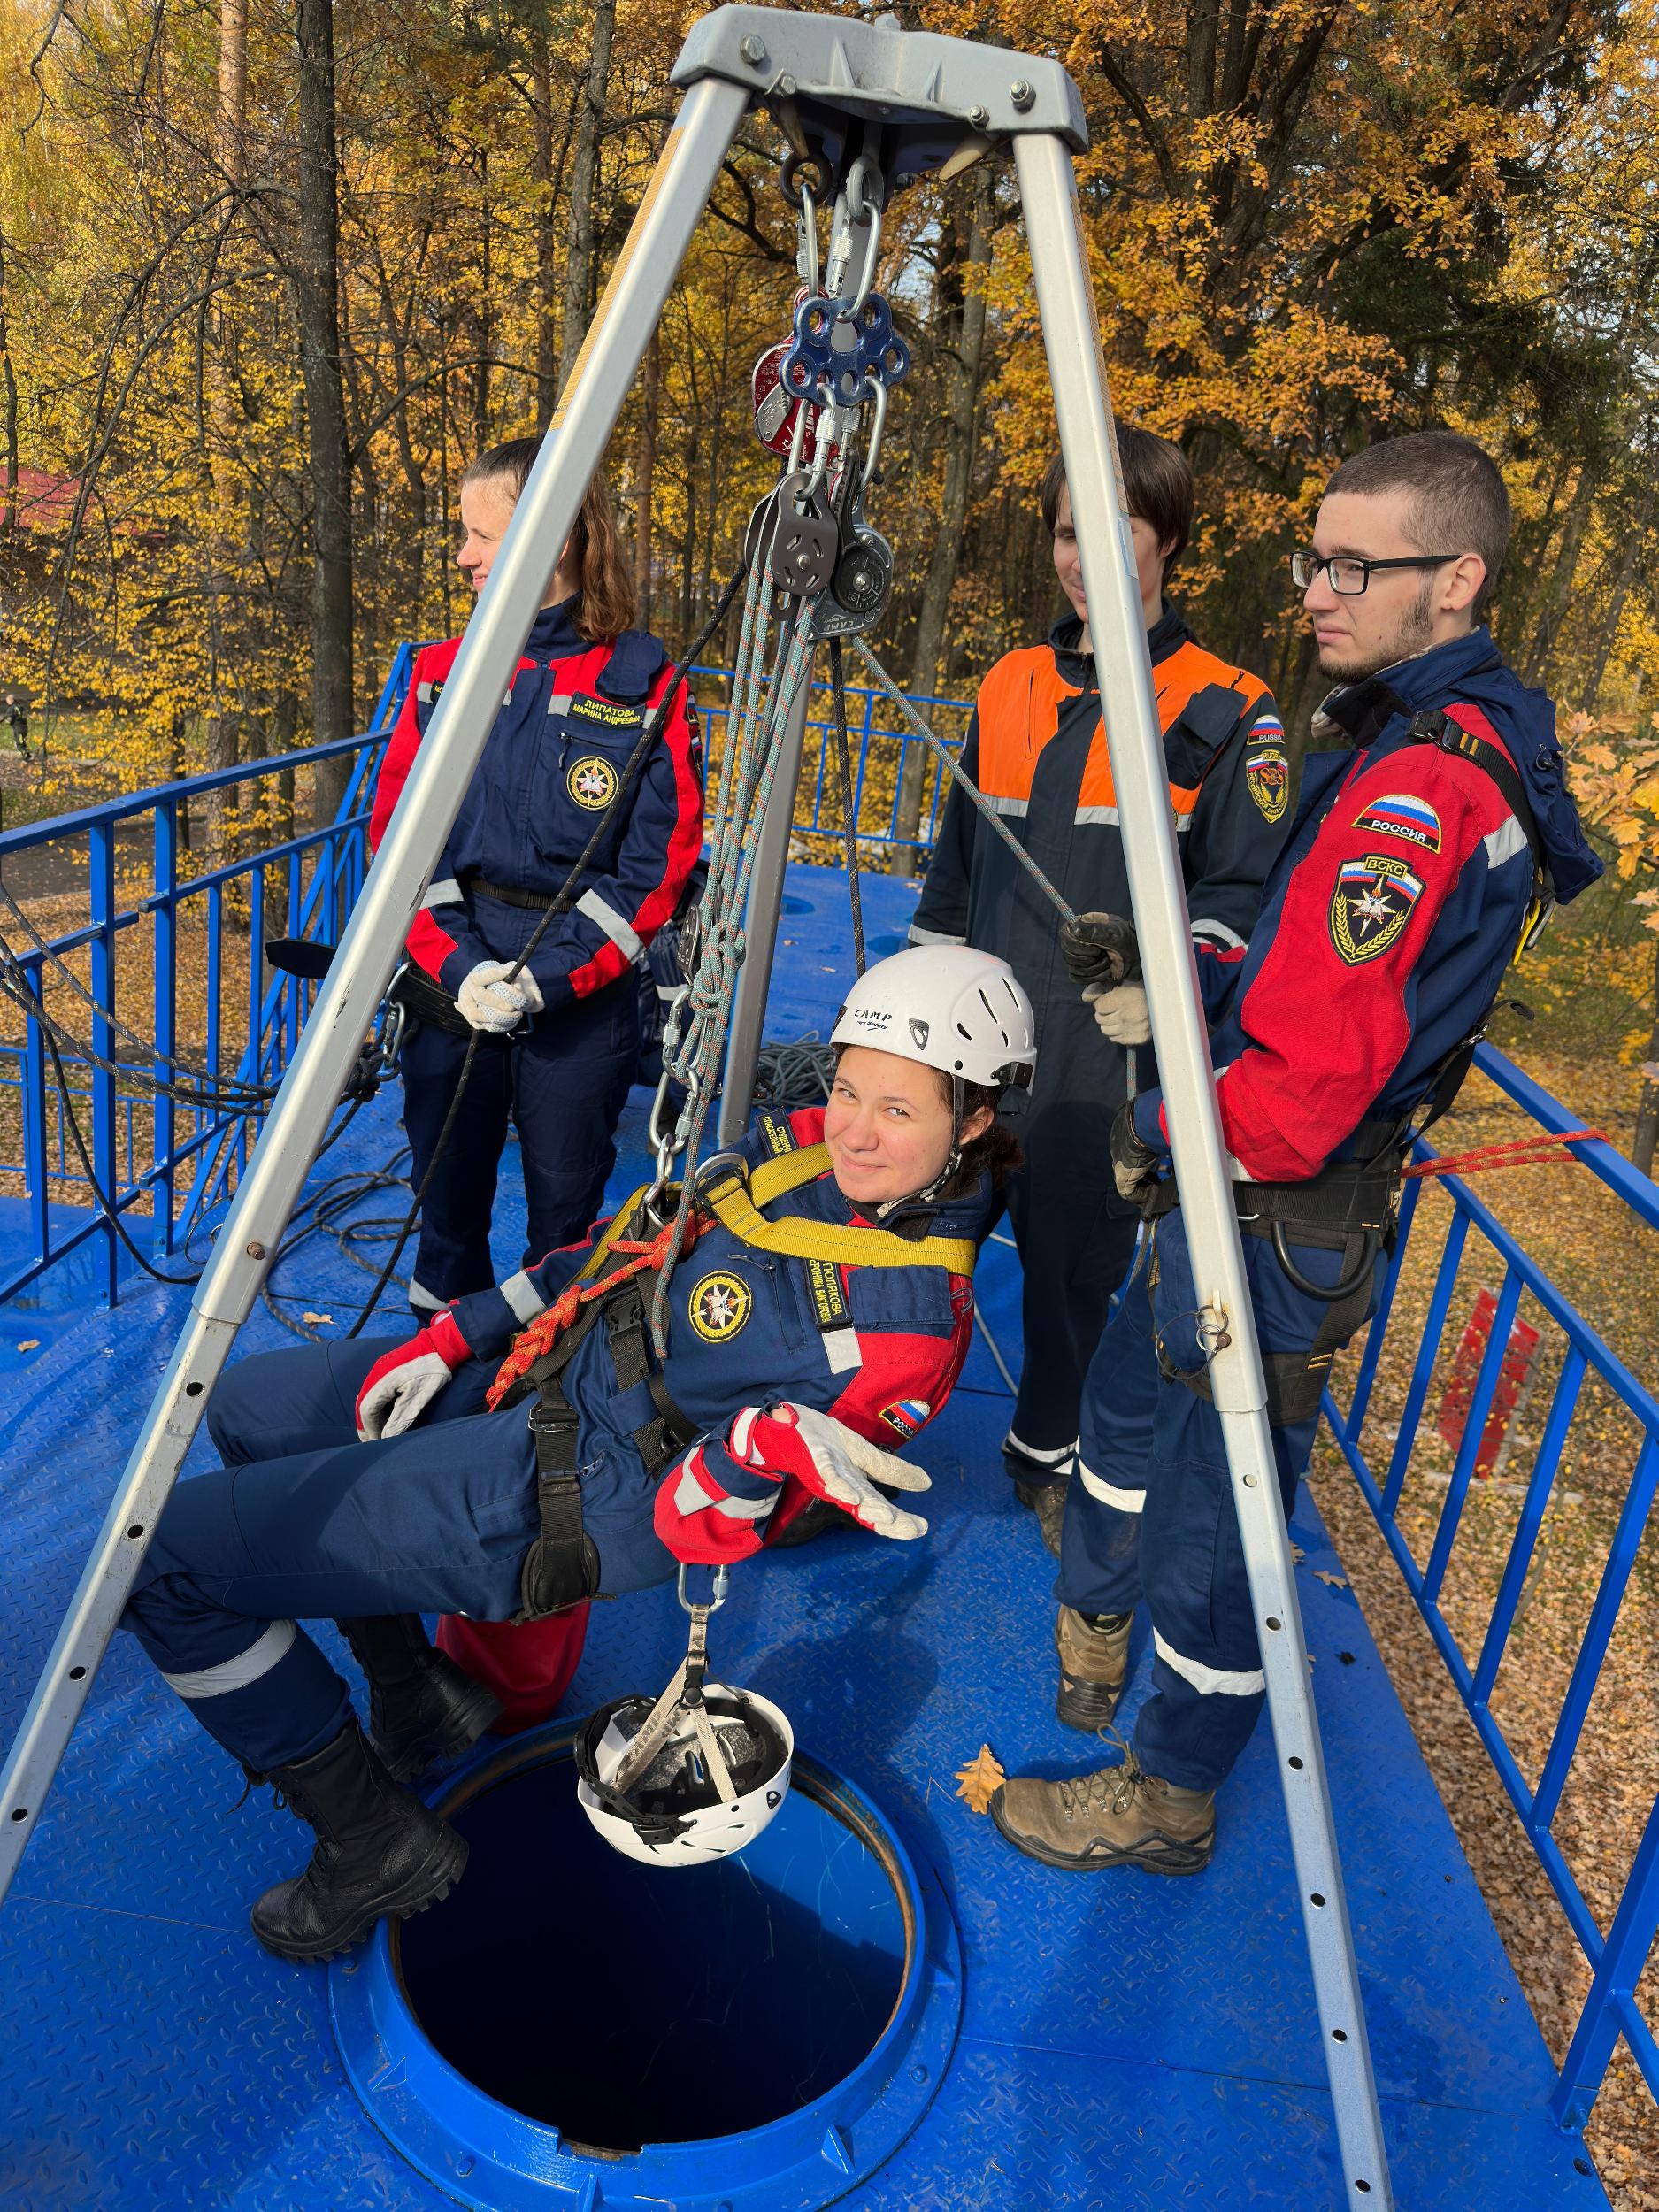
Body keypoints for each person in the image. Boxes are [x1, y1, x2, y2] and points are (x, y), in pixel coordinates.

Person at [119, 947, 1034, 1960]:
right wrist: (455, 1336)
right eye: (850, 1087)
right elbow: (622, 1243)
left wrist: (749, 1456)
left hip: (592, 1485)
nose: (856, 1128)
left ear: (976, 1119)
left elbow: (693, 1530)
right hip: (556, 1361)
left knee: (164, 1566)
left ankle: (372, 1836)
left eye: (899, 1111)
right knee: (251, 1409)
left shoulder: (901, 1338)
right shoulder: (806, 1151)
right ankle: (413, 1691)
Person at [990, 429, 1602, 1876]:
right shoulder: (1410, 735)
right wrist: (1184, 998)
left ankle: (1169, 1789)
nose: (1318, 592)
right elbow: (1299, 977)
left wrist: (1151, 1125)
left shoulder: (1420, 788)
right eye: (1313, 560)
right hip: (1250, 1184)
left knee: (1223, 1516)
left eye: (1353, 567)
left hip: (1273, 1206)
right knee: (1144, 1422)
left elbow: (1308, 1088)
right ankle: (1098, 1618)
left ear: (1454, 579)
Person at [909, 428, 1293, 1553]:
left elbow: (1241, 898)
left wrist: (1161, 977)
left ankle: (1045, 1461)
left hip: (1101, 1062)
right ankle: (847, 1423)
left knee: (1075, 1282)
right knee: (906, 1243)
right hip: (979, 1041)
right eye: (1070, 532)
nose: (1084, 558)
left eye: (1113, 529)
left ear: (1167, 537)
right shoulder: (1012, 684)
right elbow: (954, 870)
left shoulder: (1231, 710)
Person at [370, 437, 703, 1323]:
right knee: (446, 1201)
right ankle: (435, 1364)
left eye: (483, 535)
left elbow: (657, 869)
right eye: (464, 534)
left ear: (555, 539)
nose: (463, 556)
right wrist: (461, 971)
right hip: (456, 976)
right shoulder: (442, 679)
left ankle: (540, 1387)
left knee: (564, 1207)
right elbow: (402, 842)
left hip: (578, 998)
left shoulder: (646, 687)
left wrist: (547, 981)